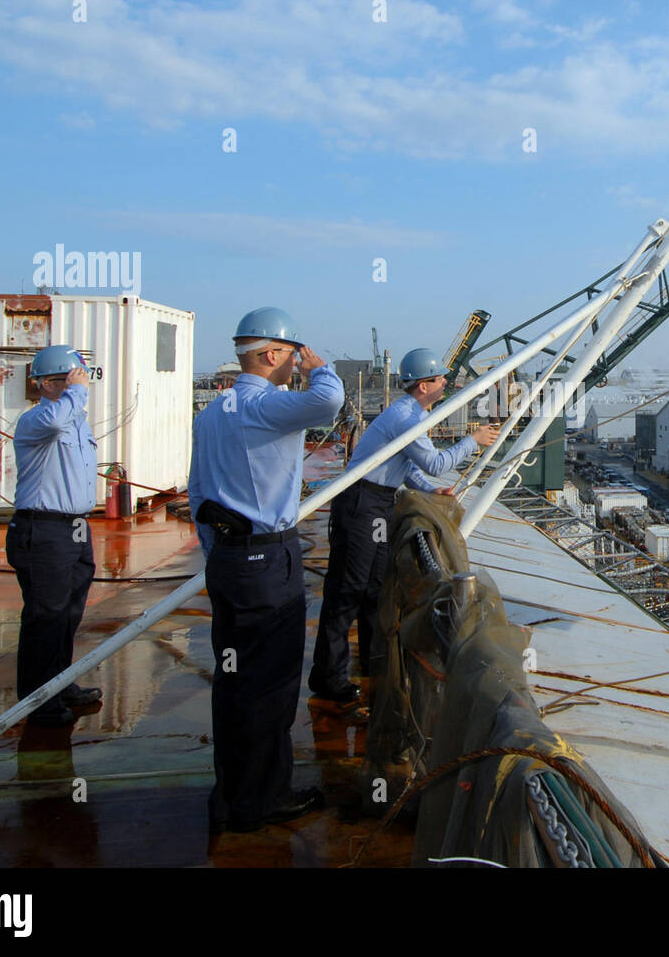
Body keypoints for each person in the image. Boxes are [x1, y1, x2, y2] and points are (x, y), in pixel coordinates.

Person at [189, 308, 344, 833]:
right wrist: (320, 368)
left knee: (233, 683)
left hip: (230, 559)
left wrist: (216, 553)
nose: (294, 364)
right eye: (291, 355)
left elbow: (197, 492)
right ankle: (260, 802)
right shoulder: (266, 404)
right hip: (266, 557)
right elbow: (329, 401)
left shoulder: (214, 411)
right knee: (270, 685)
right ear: (274, 354)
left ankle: (233, 795)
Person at [308, 347, 499, 702]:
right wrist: (473, 441)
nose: (446, 382)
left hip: (376, 501)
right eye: (440, 378)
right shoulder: (408, 418)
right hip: (362, 502)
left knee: (374, 588)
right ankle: (328, 678)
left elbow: (409, 468)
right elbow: (434, 462)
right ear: (424, 385)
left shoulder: (409, 413)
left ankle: (371, 661)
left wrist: (431, 490)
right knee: (347, 591)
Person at [5, 345, 102, 728]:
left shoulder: (76, 422)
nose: (81, 386)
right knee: (44, 617)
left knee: (68, 614)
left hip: (75, 527)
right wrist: (75, 392)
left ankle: (59, 683)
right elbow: (57, 419)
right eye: (70, 379)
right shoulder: (38, 419)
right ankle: (36, 700)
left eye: (81, 378)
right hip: (42, 528)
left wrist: (74, 393)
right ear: (46, 384)